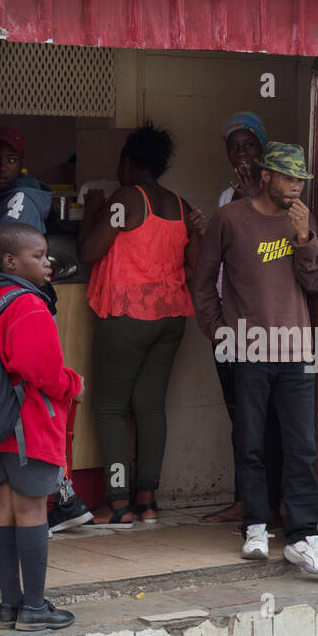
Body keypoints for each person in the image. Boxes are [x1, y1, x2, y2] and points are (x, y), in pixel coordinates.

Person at [192, 142, 318, 574]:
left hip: (295, 351)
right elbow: (203, 285)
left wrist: (305, 238)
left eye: (300, 181)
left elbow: (316, 282)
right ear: (266, 176)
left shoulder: (302, 221)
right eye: (288, 178)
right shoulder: (230, 218)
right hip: (248, 349)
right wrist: (221, 336)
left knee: (301, 447)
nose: (295, 188)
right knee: (250, 442)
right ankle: (256, 527)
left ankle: (304, 537)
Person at [78, 122, 206, 527]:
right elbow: (198, 266)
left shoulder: (126, 199)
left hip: (128, 314)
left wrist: (94, 211)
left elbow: (88, 251)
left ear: (128, 163)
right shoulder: (182, 206)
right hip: (170, 318)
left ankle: (117, 502)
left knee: (110, 408)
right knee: (150, 407)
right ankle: (147, 501)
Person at [0, 126, 94, 535]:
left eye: (10, 159)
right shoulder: (9, 194)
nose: (1, 166)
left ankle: (61, 498)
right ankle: (62, 498)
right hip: (21, 312)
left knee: (42, 407)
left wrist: (69, 384)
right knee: (38, 410)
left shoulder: (21, 198)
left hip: (26, 312)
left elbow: (12, 248)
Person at [0, 223, 82, 630]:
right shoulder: (29, 305)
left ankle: (10, 606)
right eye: (38, 256)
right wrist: (72, 383)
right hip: (30, 424)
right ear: (10, 261)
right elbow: (41, 370)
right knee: (32, 508)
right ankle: (36, 608)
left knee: (5, 506)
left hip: (0, 425)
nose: (48, 263)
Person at [200, 111, 284, 527]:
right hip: (228, 323)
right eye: (233, 147)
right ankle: (246, 500)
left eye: (248, 144)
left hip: (267, 325)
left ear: (263, 148)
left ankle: (269, 506)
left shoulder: (278, 198)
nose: (240, 153)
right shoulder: (224, 198)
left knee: (269, 418)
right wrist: (215, 324)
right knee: (240, 416)